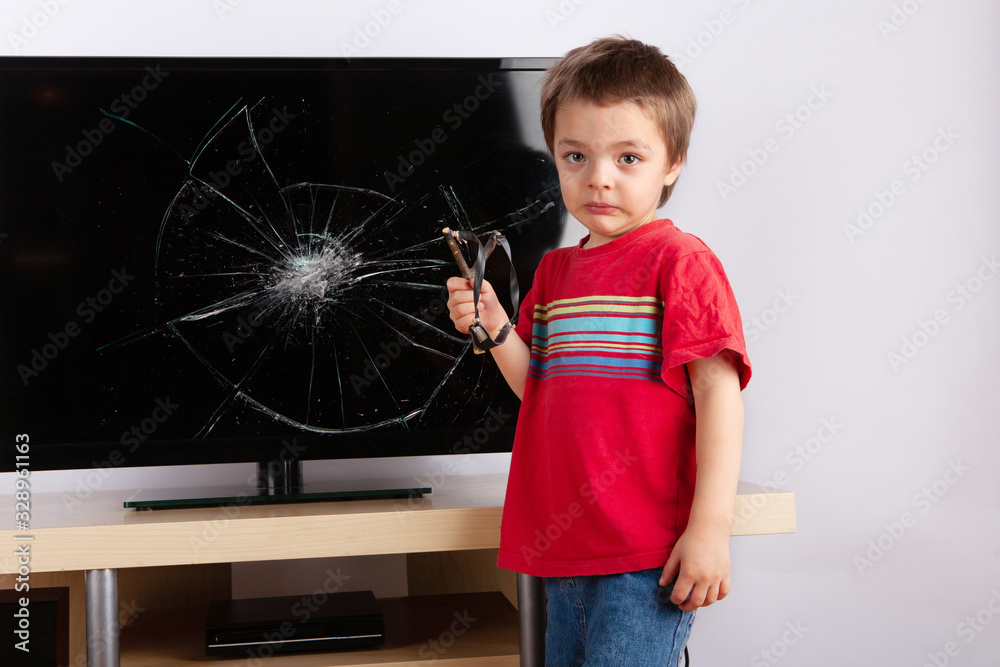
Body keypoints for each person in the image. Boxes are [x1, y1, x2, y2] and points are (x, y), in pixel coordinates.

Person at [446, 36, 752, 666]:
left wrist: (710, 529)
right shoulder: (556, 273)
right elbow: (541, 392)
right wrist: (498, 327)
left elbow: (718, 393)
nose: (599, 178)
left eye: (629, 157)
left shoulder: (680, 261)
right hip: (565, 549)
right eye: (576, 155)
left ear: (673, 163)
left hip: (647, 556)